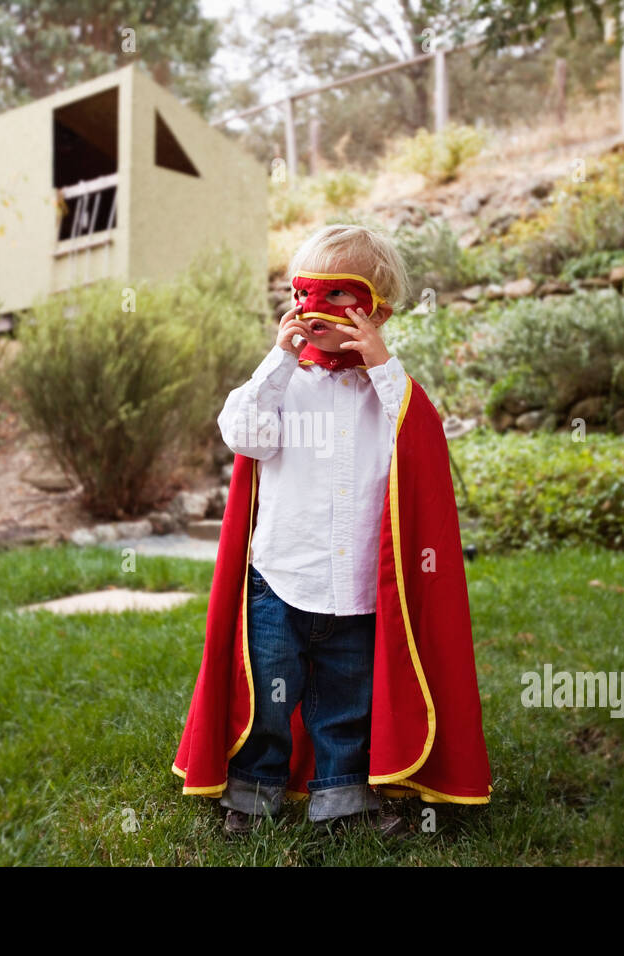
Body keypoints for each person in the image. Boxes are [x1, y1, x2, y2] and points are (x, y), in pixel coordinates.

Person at [172, 224, 492, 838]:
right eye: (306, 295)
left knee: (347, 700)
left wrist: (381, 362)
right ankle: (253, 795)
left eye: (340, 297)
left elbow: (419, 440)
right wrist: (280, 357)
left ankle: (342, 801)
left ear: (378, 311)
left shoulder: (389, 395)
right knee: (270, 695)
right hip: (280, 578)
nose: (318, 311)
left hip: (357, 586)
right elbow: (244, 433)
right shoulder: (285, 386)